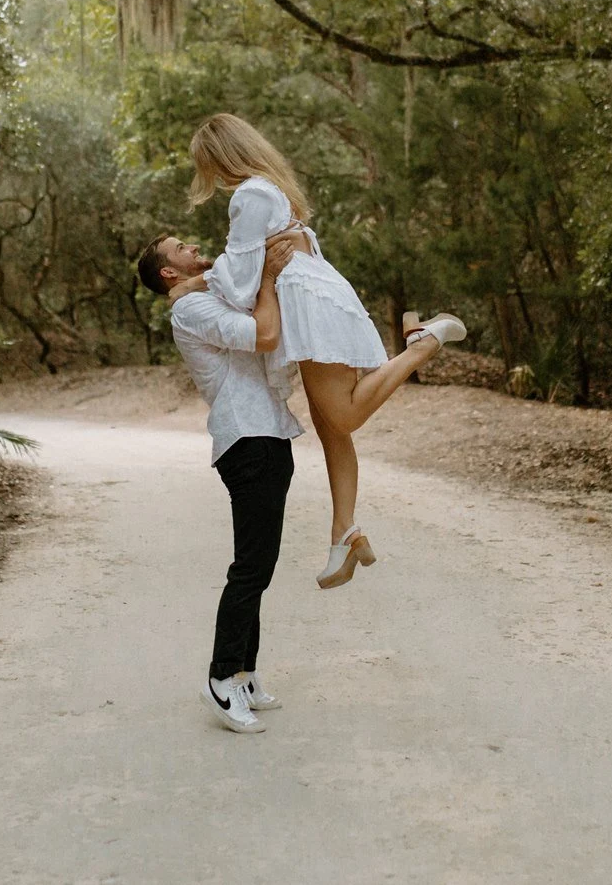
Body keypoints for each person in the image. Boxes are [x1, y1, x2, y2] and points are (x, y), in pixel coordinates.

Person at [189, 113, 465, 589]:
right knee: (328, 423)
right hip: (312, 294)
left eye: (206, 163)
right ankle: (345, 533)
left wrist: (195, 283)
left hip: (307, 301)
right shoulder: (271, 190)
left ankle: (421, 345)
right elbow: (253, 265)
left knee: (344, 415)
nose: (207, 175)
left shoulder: (250, 195)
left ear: (220, 155)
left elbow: (238, 281)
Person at [137, 227, 307, 733]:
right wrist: (271, 278)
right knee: (251, 568)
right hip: (246, 439)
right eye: (180, 249)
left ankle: (245, 672)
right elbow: (266, 335)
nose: (192, 247)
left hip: (268, 432)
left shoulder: (202, 293)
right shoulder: (189, 310)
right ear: (169, 271)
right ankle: (220, 678)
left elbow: (231, 278)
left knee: (261, 564)